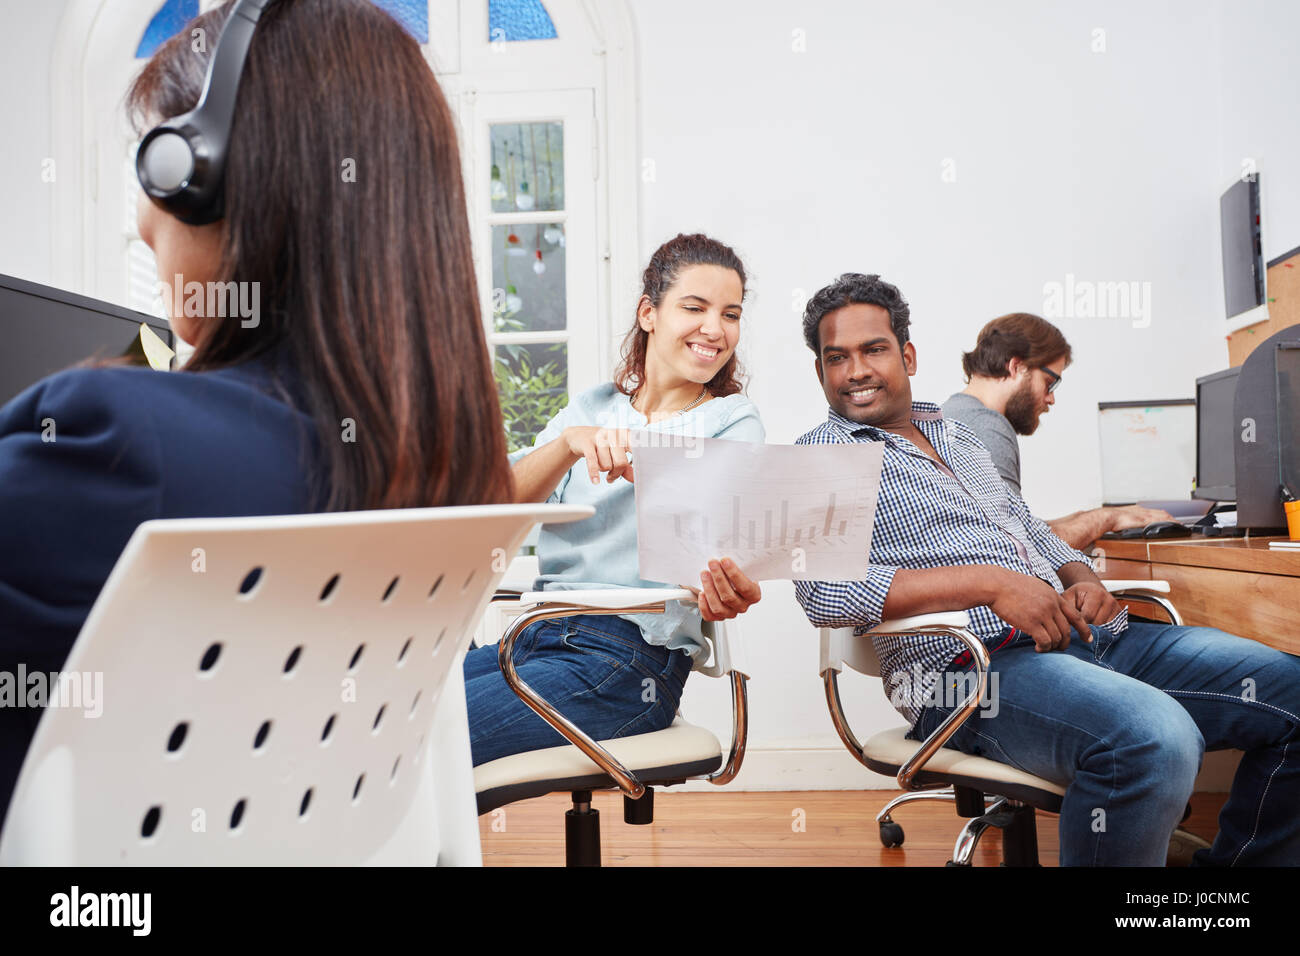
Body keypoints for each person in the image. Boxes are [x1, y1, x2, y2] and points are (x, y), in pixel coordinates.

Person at [0, 0, 511, 826]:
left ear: (201, 175)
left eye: (152, 162)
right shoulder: (448, 464)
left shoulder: (113, 440)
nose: (141, 222)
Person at [792, 273, 1300, 866]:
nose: (856, 371)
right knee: (1154, 738)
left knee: (1292, 691)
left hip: (1087, 638)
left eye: (872, 350)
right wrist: (989, 582)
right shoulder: (818, 459)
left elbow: (1029, 531)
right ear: (821, 370)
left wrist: (1081, 577)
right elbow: (825, 595)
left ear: (906, 354)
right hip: (971, 675)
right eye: (836, 358)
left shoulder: (957, 436)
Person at [464, 234, 764, 766]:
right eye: (694, 307)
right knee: (383, 703)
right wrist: (566, 444)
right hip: (532, 638)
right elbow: (498, 504)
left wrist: (722, 584)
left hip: (627, 662)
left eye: (731, 314)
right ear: (649, 313)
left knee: (429, 731)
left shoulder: (731, 420)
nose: (715, 330)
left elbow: (724, 534)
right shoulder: (593, 407)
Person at [940, 313, 1172, 549]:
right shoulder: (986, 426)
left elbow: (1012, 527)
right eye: (1050, 383)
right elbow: (1015, 546)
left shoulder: (951, 413)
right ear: (1016, 366)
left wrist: (1084, 517)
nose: (1051, 399)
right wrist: (1107, 518)